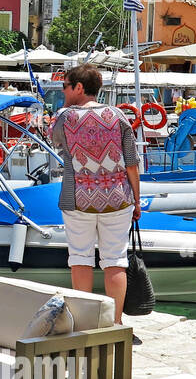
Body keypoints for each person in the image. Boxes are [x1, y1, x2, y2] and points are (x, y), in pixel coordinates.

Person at [49, 64, 141, 325]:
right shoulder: (118, 116)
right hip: (118, 197)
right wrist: (136, 199)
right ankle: (116, 323)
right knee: (115, 260)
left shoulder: (64, 117)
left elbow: (56, 141)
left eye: (66, 86)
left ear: (79, 87)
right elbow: (131, 163)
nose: (63, 91)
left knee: (80, 257)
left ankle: (85, 322)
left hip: (78, 197)